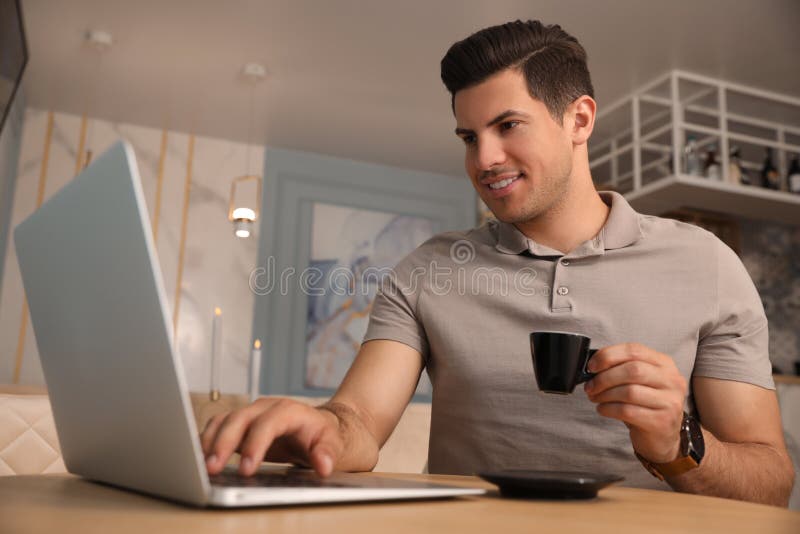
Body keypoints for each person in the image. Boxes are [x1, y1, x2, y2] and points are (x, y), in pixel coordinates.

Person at [201, 20, 795, 506]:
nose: (484, 159)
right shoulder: (427, 271)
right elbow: (356, 422)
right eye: (468, 137)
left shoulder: (707, 265)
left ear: (579, 120)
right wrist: (315, 430)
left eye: (507, 125)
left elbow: (771, 483)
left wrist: (678, 442)